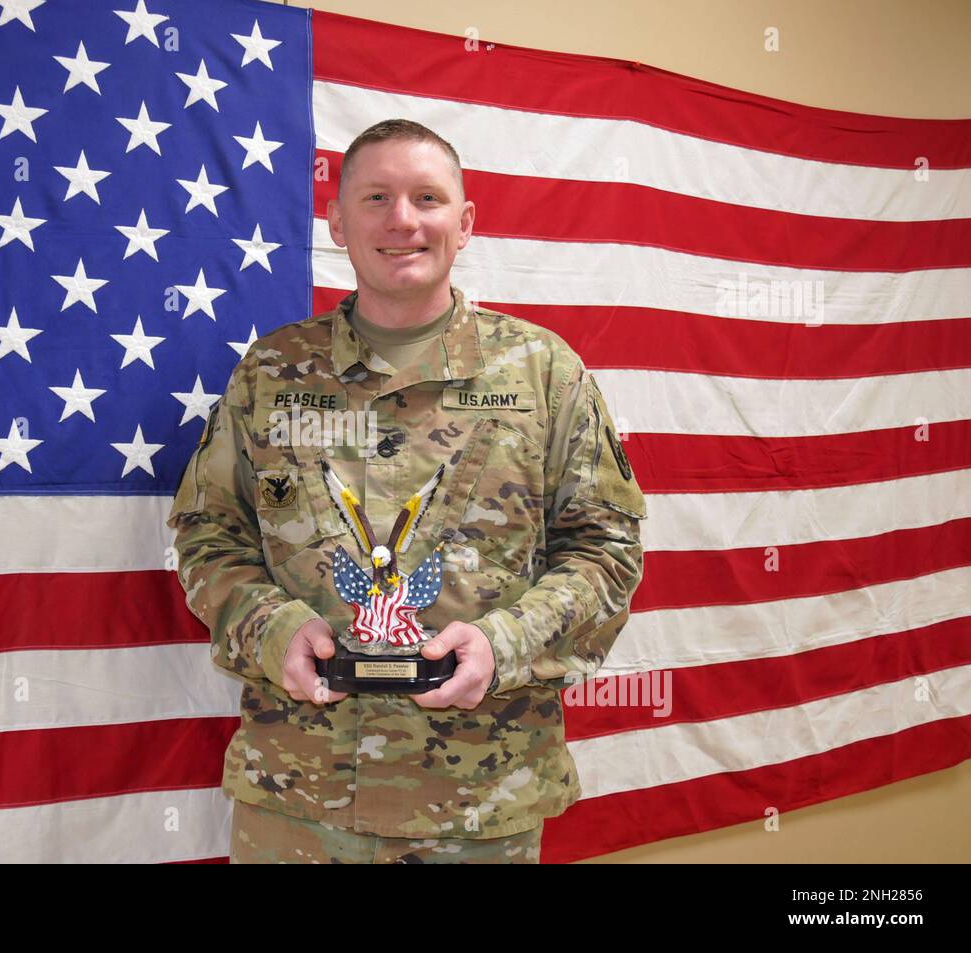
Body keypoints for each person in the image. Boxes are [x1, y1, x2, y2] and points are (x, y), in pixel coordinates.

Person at [166, 118, 647, 864]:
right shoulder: (272, 372)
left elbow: (607, 549)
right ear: (335, 221)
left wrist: (504, 640)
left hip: (481, 801)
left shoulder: (542, 373)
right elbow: (207, 533)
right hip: (300, 797)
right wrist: (270, 627)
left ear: (464, 223)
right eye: (376, 197)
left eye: (427, 197)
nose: (402, 220)